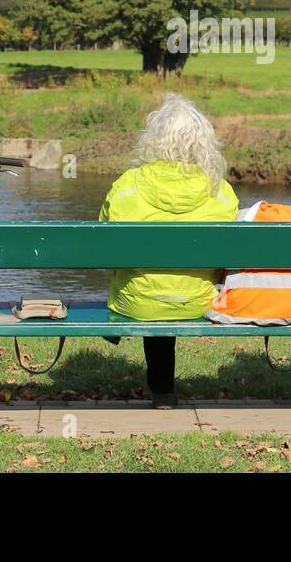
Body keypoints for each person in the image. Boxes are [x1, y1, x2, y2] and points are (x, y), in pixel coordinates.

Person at [100, 93, 238, 408]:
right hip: (199, 301)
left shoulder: (127, 184)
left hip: (137, 302)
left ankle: (162, 389)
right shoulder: (221, 191)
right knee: (174, 278)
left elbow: (104, 240)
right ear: (202, 142)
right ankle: (163, 390)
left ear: (154, 139)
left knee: (149, 281)